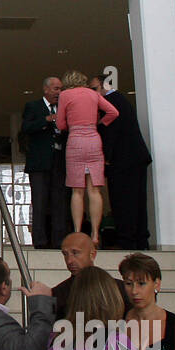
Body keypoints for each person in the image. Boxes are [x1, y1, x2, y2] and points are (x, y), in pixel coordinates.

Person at [55, 70, 118, 246]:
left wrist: (71, 123)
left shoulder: (65, 95)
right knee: (95, 190)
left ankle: (77, 231)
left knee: (77, 191)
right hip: (93, 139)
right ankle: (95, 234)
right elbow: (113, 112)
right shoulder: (92, 93)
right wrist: (99, 123)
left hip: (75, 140)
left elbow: (60, 124)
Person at [90, 75, 153, 250]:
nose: (93, 94)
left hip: (123, 161)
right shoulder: (121, 100)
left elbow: (112, 133)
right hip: (136, 158)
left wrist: (107, 159)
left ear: (104, 87)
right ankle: (140, 240)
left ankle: (127, 241)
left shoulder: (111, 103)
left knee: (124, 201)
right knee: (138, 201)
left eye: (94, 89)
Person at [18, 76, 68, 249]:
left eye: (60, 89)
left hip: (59, 161)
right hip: (39, 163)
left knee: (59, 202)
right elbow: (26, 127)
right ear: (46, 89)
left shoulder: (64, 107)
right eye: (55, 89)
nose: (58, 92)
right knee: (39, 202)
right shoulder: (33, 106)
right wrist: (47, 119)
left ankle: (59, 241)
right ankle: (39, 241)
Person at [54, 232, 128, 320]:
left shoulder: (119, 288)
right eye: (65, 254)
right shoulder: (59, 292)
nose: (69, 260)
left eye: (75, 253)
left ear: (92, 254)